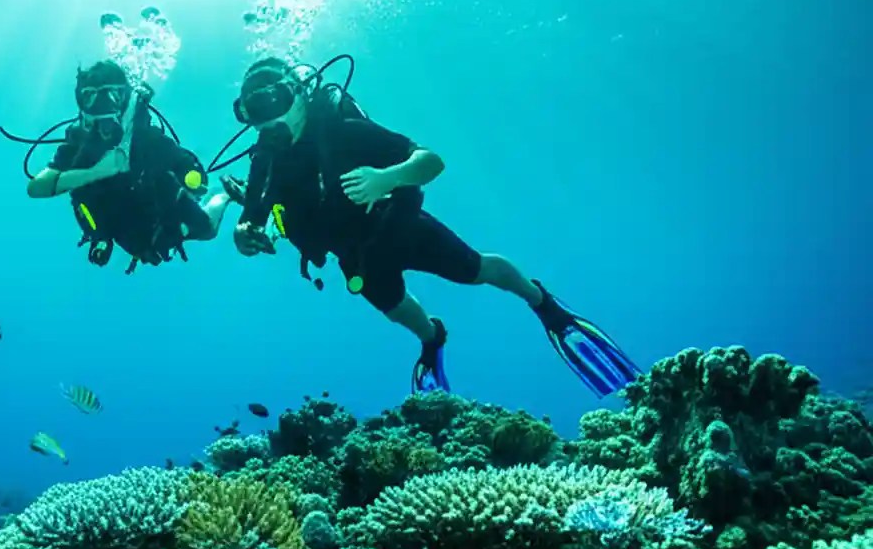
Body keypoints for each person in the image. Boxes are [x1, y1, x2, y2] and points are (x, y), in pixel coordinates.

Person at [227, 55, 642, 396]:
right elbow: (251, 217)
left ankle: (543, 303)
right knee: (397, 311)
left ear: (298, 93)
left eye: (275, 101)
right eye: (252, 111)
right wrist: (243, 235)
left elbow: (431, 161)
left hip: (398, 226)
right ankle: (432, 339)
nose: (266, 121)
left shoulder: (344, 131)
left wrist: (386, 178)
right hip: (355, 258)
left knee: (476, 270)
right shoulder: (265, 161)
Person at [27, 60, 244, 273]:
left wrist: (192, 179)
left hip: (164, 212)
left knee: (207, 230)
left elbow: (181, 161)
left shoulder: (147, 139)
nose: (102, 104)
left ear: (125, 98)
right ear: (81, 103)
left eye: (113, 94)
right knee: (145, 244)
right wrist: (98, 171)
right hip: (119, 227)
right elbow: (36, 188)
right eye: (90, 96)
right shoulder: (75, 148)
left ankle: (223, 195)